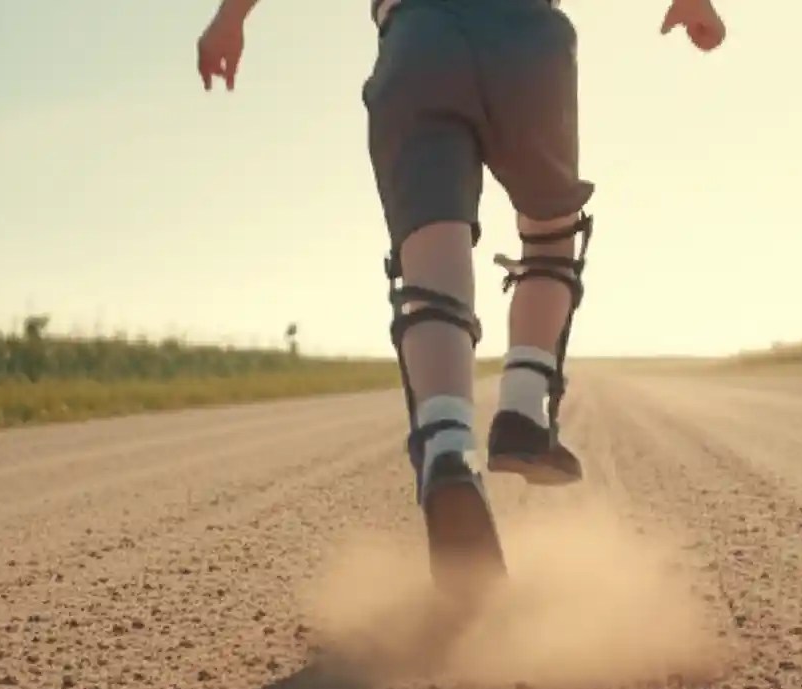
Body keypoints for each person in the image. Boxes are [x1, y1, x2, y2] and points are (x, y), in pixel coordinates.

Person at [197, 0, 725, 595]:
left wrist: (230, 19)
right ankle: (525, 411)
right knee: (550, 237)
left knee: (432, 262)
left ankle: (448, 447)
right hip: (525, 37)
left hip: (419, 38)